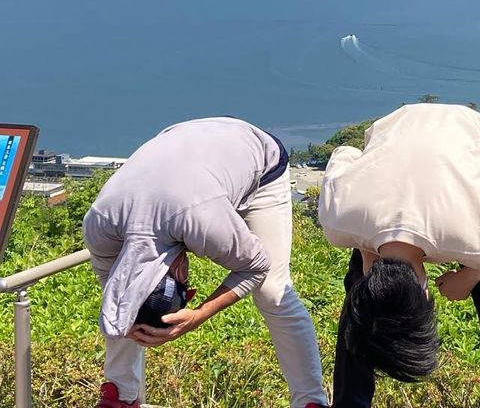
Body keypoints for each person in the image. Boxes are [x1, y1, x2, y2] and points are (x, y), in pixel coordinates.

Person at [82, 116, 327, 408]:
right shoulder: (101, 226)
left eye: (183, 284)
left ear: (176, 269)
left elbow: (257, 265)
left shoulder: (201, 221)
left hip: (256, 159)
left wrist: (199, 315)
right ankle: (119, 394)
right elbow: (119, 296)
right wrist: (132, 321)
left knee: (272, 292)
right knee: (126, 301)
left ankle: (311, 401)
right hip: (186, 149)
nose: (188, 278)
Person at [320, 103, 480, 408]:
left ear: (427, 294)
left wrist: (474, 272)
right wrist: (364, 243)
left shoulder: (479, 236)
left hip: (470, 132)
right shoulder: (337, 221)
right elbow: (345, 155)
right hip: (400, 124)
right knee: (369, 307)